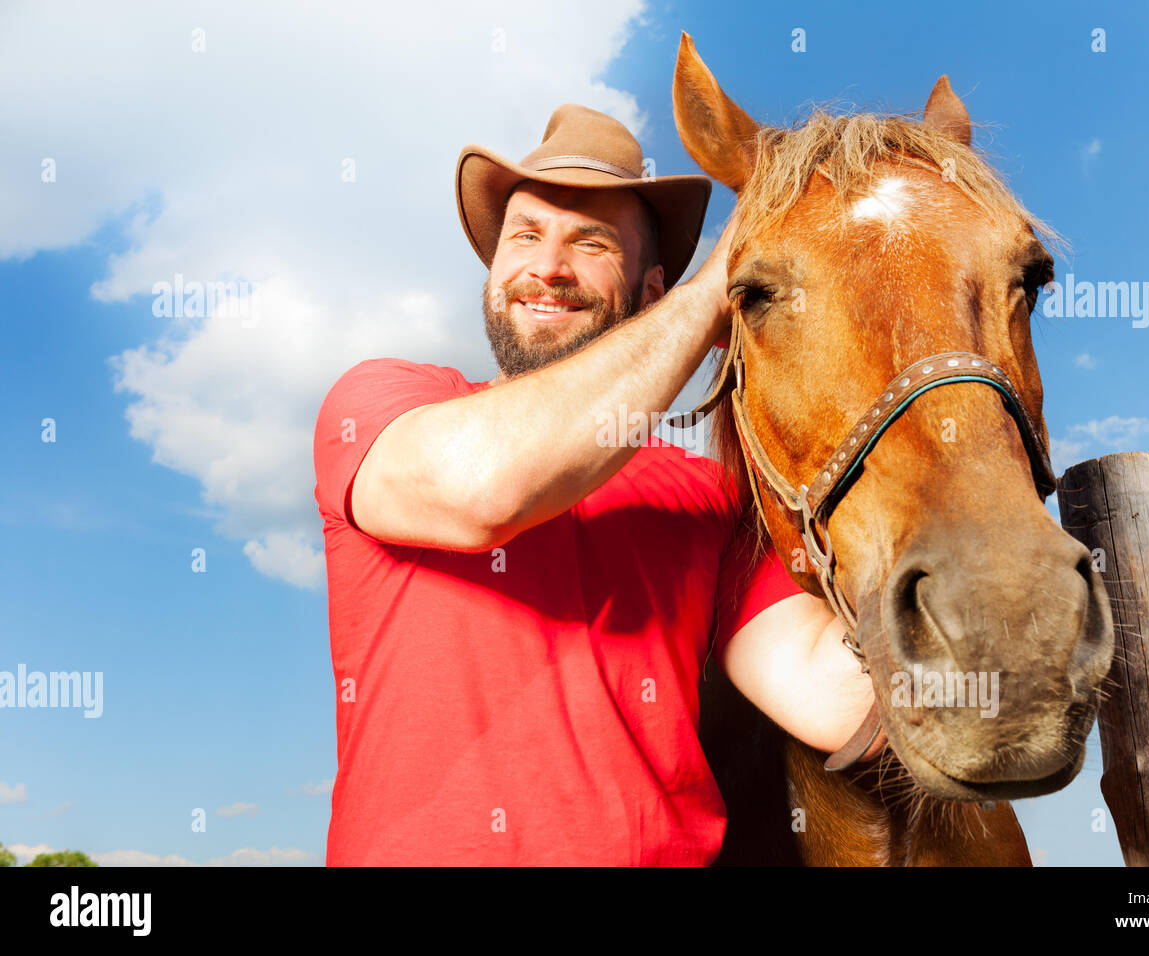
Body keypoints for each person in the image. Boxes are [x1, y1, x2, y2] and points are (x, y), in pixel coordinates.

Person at [313, 104, 882, 865]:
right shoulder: (384, 402)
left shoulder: (708, 495)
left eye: (589, 243)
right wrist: (720, 279)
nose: (547, 267)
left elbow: (831, 700)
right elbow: (485, 491)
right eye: (525, 235)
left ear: (651, 293)